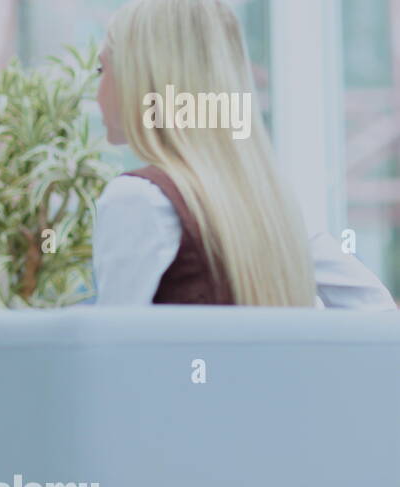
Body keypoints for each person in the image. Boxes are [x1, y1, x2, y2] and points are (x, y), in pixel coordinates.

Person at [92, 0, 395, 309]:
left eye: (102, 69)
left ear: (137, 79)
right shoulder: (270, 209)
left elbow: (112, 351)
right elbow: (378, 311)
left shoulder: (138, 199)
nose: (96, 90)